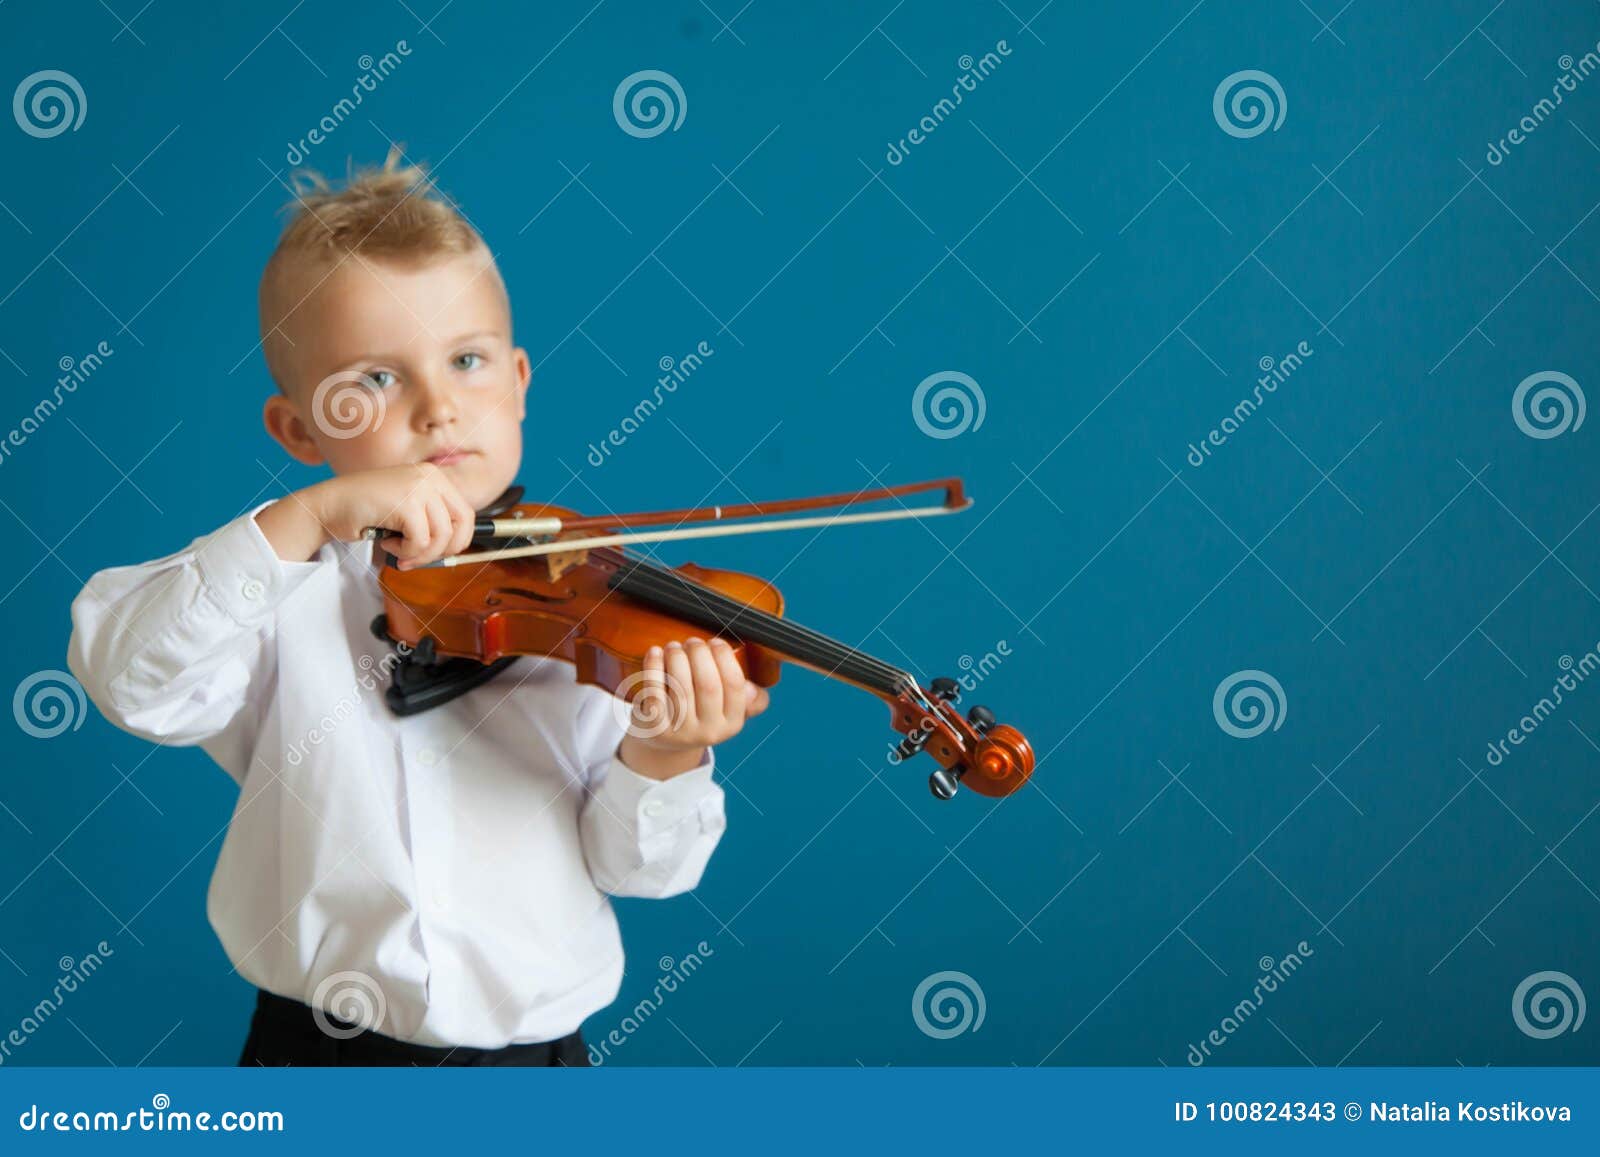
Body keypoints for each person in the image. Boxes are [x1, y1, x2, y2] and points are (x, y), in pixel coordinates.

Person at [65, 148, 767, 1066]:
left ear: (518, 380)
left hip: (532, 1066)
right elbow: (130, 677)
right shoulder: (279, 595)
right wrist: (303, 519)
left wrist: (668, 754)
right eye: (377, 380)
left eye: (467, 361)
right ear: (298, 429)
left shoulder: (585, 599)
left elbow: (641, 870)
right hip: (318, 1053)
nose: (439, 409)